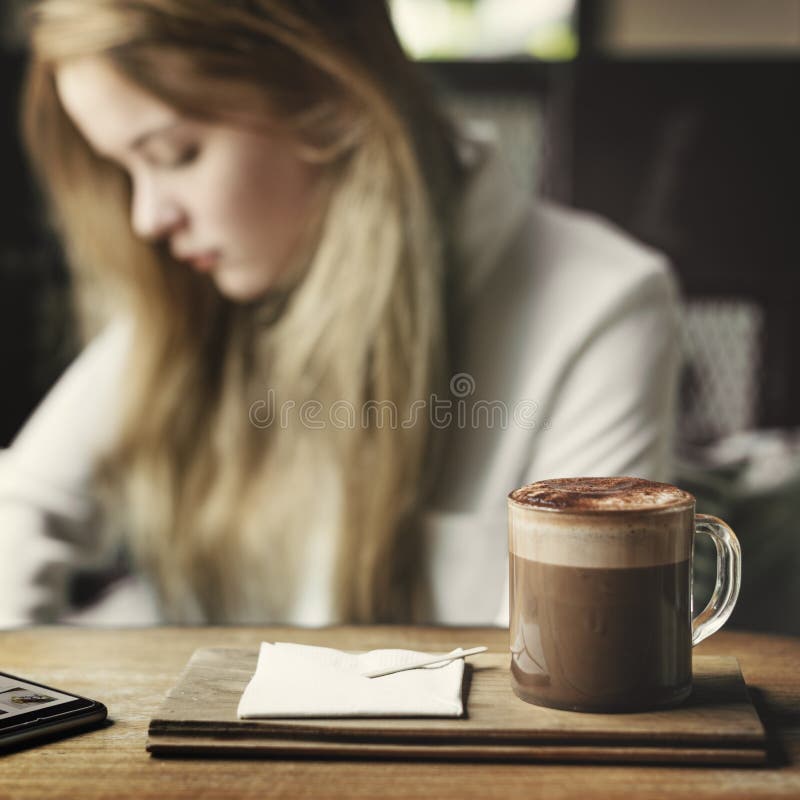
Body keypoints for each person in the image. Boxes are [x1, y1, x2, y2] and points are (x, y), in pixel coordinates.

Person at [0, 0, 681, 628]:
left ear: (329, 102)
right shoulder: (208, 288)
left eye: (175, 155)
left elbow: (577, 657)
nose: (148, 218)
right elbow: (19, 508)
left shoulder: (604, 304)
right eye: (123, 170)